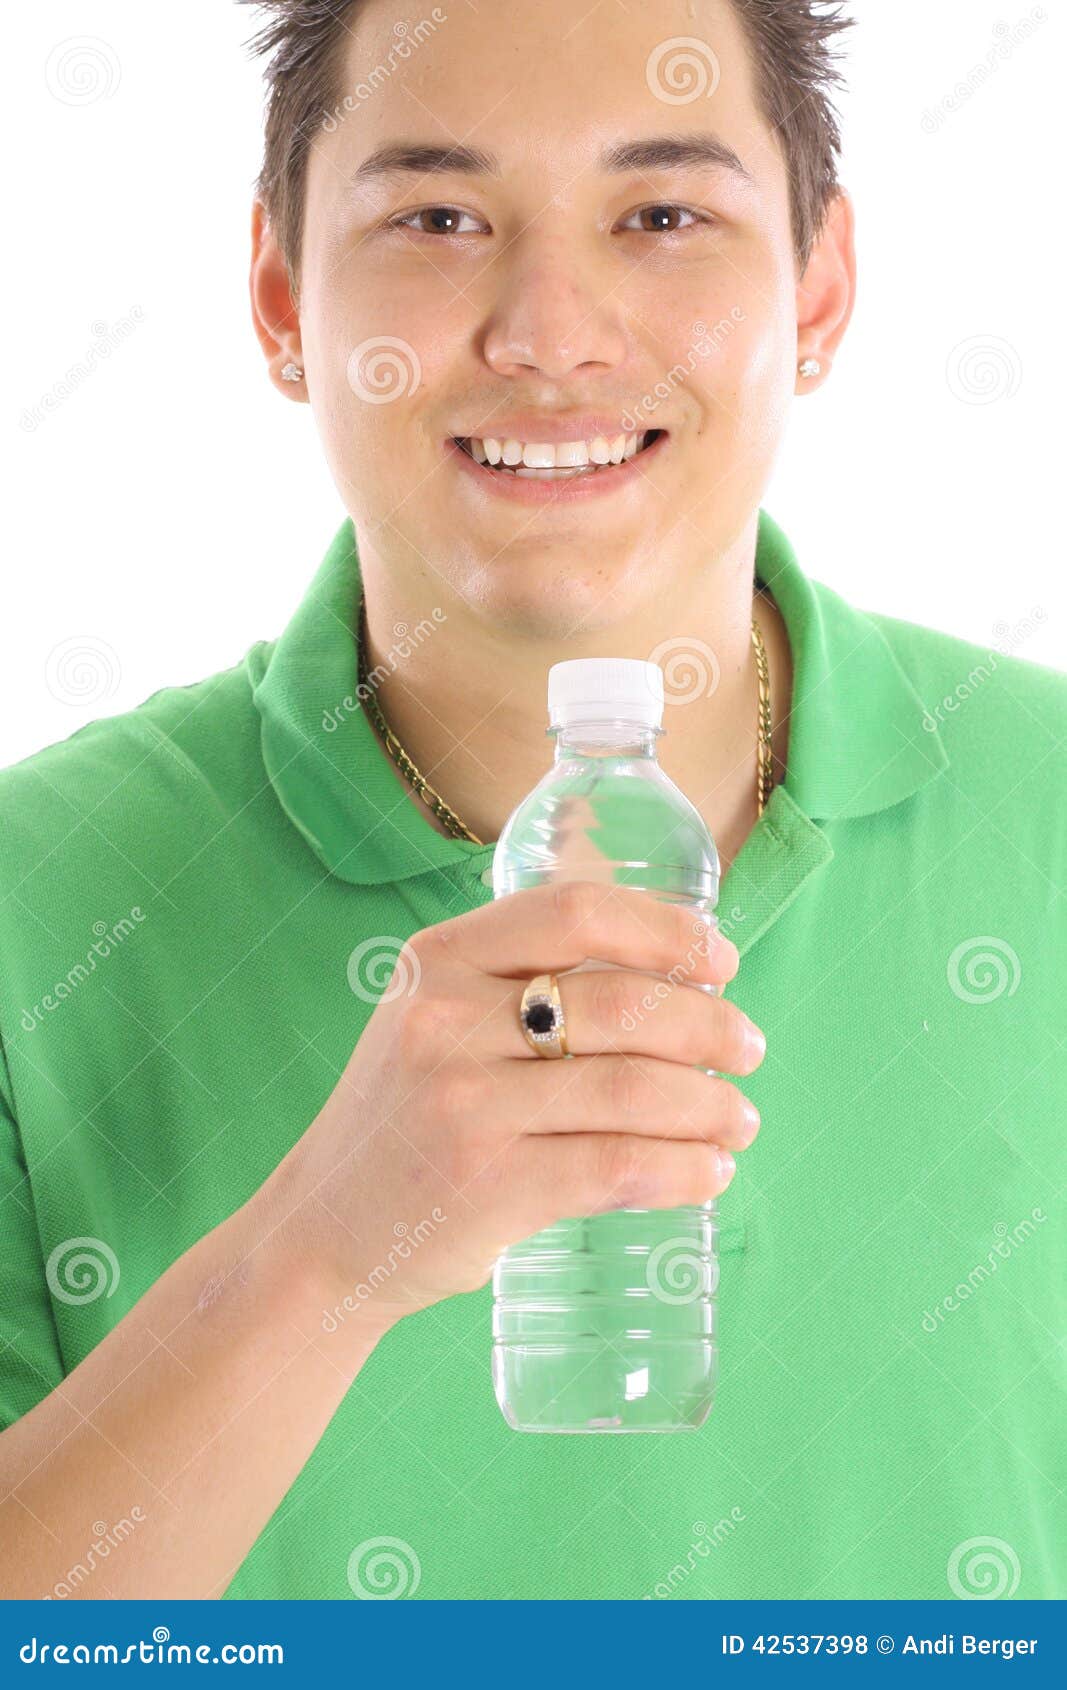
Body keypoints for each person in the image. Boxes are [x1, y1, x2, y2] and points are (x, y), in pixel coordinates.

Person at [1, 0, 1063, 1602]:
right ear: (282, 296)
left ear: (820, 290)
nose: (551, 331)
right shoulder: (39, 902)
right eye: (436, 216)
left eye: (662, 214)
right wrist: (319, 1259)